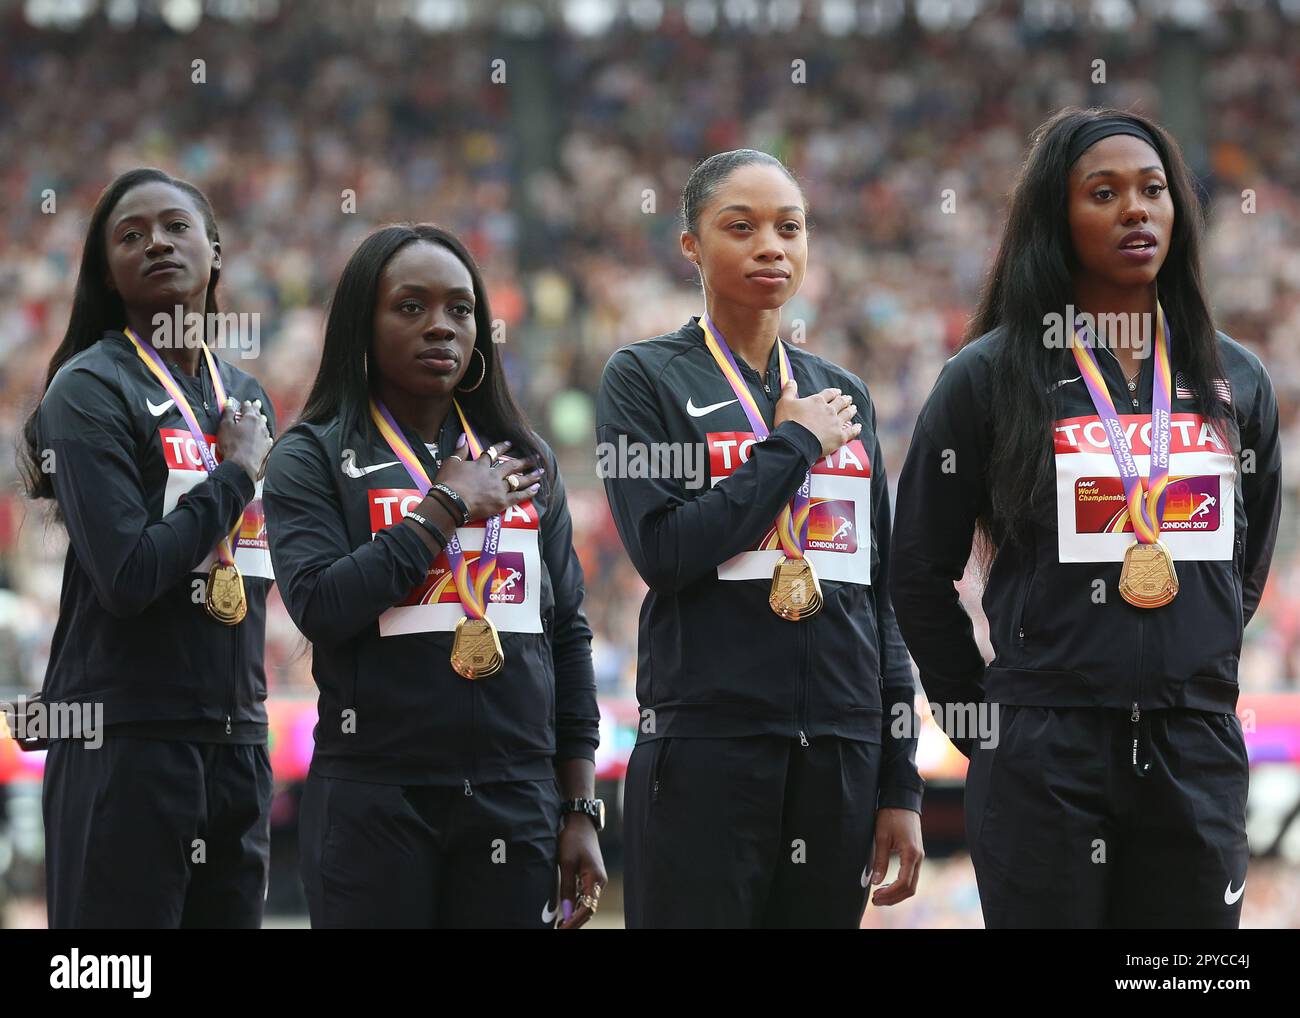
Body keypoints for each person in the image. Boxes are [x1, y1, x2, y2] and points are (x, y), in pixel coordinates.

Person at [890, 108, 1283, 928]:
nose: (1136, 210)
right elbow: (917, 571)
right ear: (1055, 220)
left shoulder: (1237, 381)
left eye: (1153, 191)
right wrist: (987, 724)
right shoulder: (987, 377)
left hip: (1195, 748)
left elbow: (1245, 564)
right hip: (1044, 755)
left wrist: (1189, 659)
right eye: (1103, 193)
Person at [597, 149, 924, 928]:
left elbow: (880, 597)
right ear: (691, 246)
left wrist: (900, 782)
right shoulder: (644, 379)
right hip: (709, 746)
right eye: (739, 227)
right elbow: (666, 553)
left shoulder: (845, 394)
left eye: (790, 227)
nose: (770, 246)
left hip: (841, 754)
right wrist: (790, 449)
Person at [263, 224, 605, 929]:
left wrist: (578, 808)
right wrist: (443, 508)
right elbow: (321, 604)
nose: (441, 327)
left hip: (516, 799)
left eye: (460, 309)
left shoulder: (525, 457)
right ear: (364, 321)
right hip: (375, 799)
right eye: (411, 307)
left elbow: (566, 636)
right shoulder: (312, 454)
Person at [21, 168, 276, 928]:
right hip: (125, 740)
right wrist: (232, 475)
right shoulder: (89, 388)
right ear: (107, 271)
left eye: (175, 226)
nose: (156, 242)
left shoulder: (247, 396)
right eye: (130, 236)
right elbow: (129, 575)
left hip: (236, 741)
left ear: (215, 250)